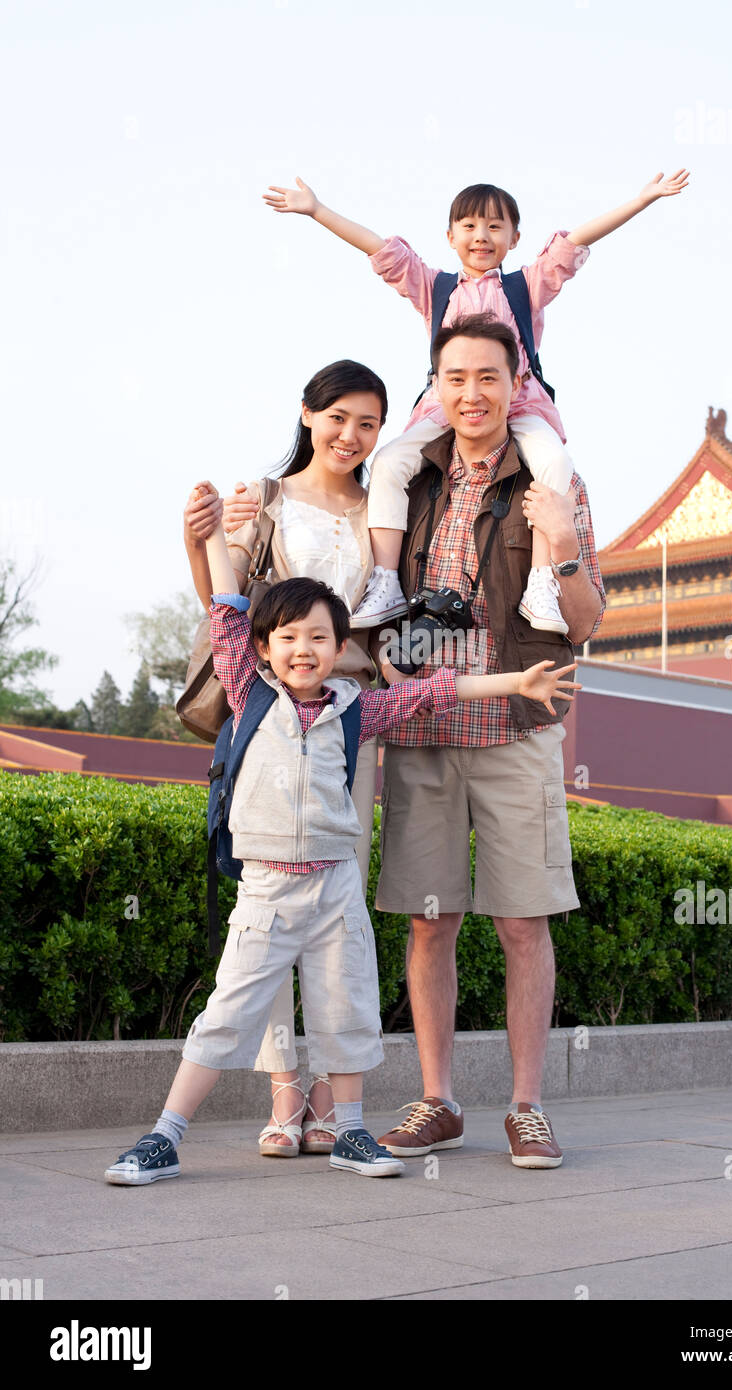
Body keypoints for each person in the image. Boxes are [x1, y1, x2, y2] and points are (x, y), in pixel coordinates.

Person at [104, 494, 580, 1184]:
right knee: (228, 1011)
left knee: (346, 1010)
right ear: (265, 649)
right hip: (267, 889)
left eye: (320, 637)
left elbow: (433, 693)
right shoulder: (250, 691)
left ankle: (351, 1132)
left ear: (338, 647)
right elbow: (226, 610)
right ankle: (164, 1134)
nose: (304, 650)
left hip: (333, 888)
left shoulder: (356, 710)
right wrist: (213, 540)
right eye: (290, 637)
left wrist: (515, 681)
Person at [368, 313, 606, 1169]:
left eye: (488, 378)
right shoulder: (407, 482)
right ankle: (438, 1099)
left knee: (521, 922)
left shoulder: (552, 480)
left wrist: (569, 546)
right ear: (436, 387)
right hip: (424, 731)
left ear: (516, 387)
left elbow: (581, 625)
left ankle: (528, 1106)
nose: (470, 394)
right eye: (454, 378)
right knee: (431, 925)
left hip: (516, 731)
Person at [262, 170, 687, 634]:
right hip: (442, 408)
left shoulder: (525, 287)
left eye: (494, 227)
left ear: (515, 237)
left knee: (554, 463)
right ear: (450, 236)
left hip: (519, 405)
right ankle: (385, 581)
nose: (481, 236)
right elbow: (378, 248)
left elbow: (578, 238)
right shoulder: (436, 289)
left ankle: (542, 582)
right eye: (468, 226)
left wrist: (642, 199)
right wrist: (317, 210)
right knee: (389, 462)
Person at [182, 359, 385, 1160]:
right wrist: (194, 532)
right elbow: (219, 596)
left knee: (340, 908)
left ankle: (341, 1104)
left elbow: (378, 617)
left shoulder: (384, 508)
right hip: (269, 716)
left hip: (345, 717)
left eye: (367, 423)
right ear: (308, 415)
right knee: (266, 906)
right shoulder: (261, 500)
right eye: (338, 417)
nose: (350, 435)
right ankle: (284, 1091)